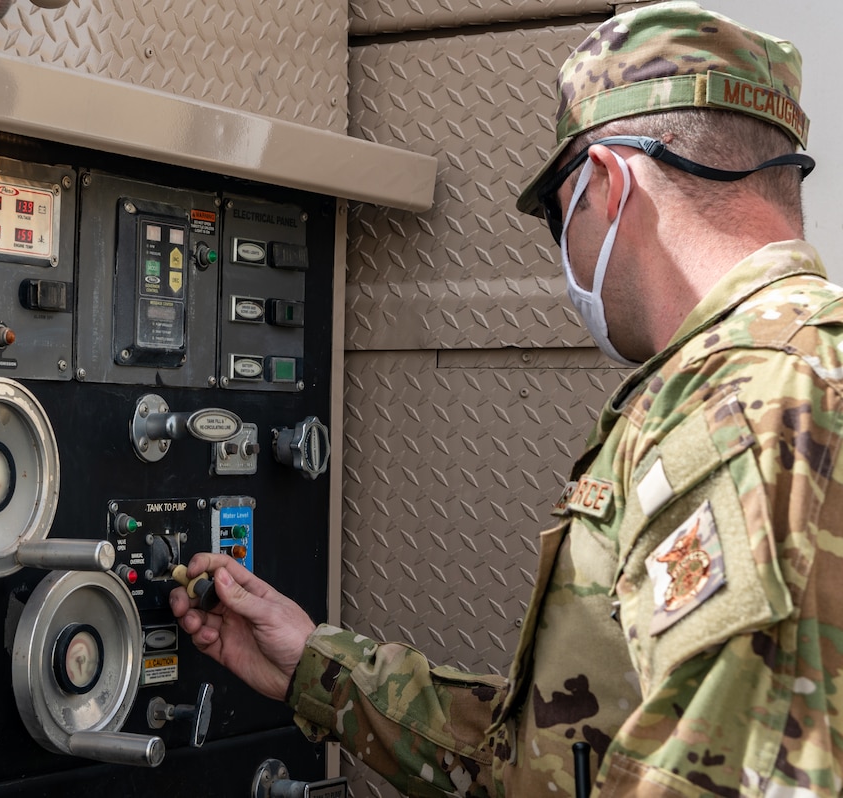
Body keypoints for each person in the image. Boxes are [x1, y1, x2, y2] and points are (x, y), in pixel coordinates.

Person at [171, 2, 843, 795]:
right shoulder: (772, 376)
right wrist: (320, 671)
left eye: (558, 216)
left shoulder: (752, 404)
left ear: (604, 180)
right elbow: (565, 757)